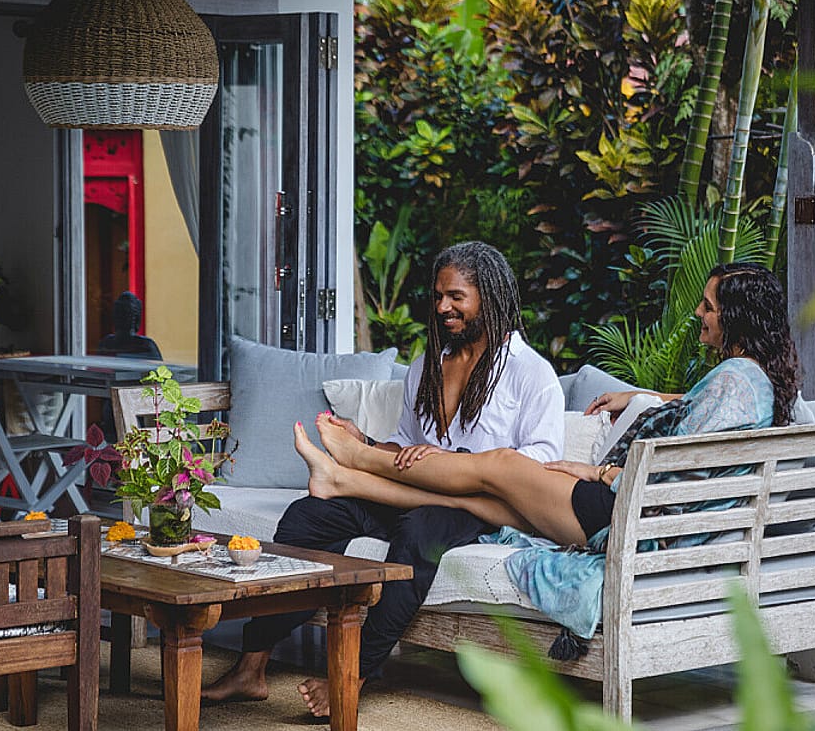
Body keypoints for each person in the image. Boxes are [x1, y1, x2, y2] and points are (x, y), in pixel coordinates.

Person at [202, 241, 567, 715]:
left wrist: (457, 464)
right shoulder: (428, 365)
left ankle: (353, 674)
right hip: (404, 492)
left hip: (472, 507)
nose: (442, 307)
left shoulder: (529, 374)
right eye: (438, 296)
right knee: (310, 515)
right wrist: (367, 444)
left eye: (456, 296)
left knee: (418, 536)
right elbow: (404, 445)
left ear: (489, 297)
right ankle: (251, 667)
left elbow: (541, 463)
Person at [295, 261, 799, 555]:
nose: (699, 314)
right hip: (640, 518)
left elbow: (678, 476)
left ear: (736, 316)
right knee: (485, 503)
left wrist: (600, 473)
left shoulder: (734, 383)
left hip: (630, 518)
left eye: (709, 307)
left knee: (499, 465)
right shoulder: (750, 381)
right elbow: (701, 417)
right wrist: (647, 398)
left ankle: (361, 460)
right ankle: (347, 481)